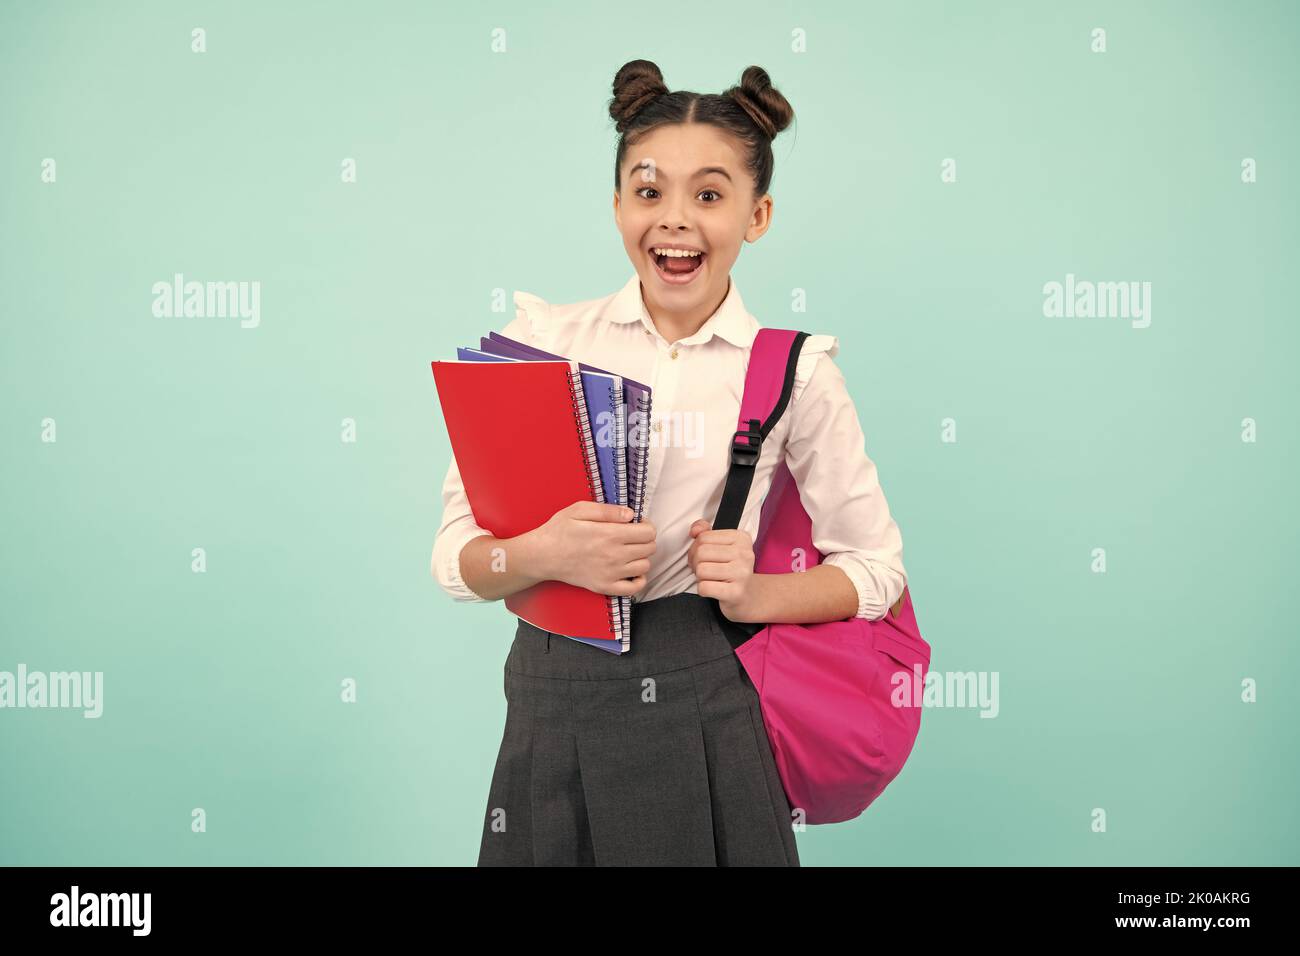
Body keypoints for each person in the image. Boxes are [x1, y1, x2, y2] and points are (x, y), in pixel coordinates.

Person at [431, 59, 908, 866]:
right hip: (551, 698)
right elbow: (454, 560)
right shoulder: (543, 348)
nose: (675, 220)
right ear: (618, 204)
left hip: (706, 698)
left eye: (710, 195)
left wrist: (757, 591)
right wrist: (546, 553)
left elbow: (876, 569)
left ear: (757, 216)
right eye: (649, 192)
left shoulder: (795, 370)